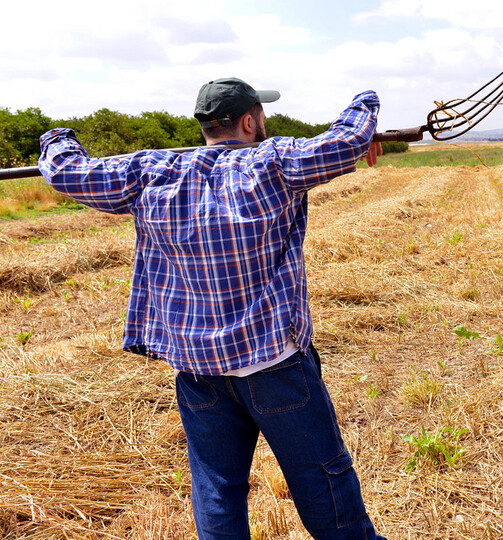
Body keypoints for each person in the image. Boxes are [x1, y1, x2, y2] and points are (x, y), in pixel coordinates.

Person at [38, 77, 386, 539]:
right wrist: (365, 103)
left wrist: (57, 138)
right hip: (275, 366)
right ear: (249, 120)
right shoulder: (274, 162)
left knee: (217, 491)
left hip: (198, 371)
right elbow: (344, 141)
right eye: (261, 114)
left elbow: (67, 172)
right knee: (323, 481)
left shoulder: (150, 171)